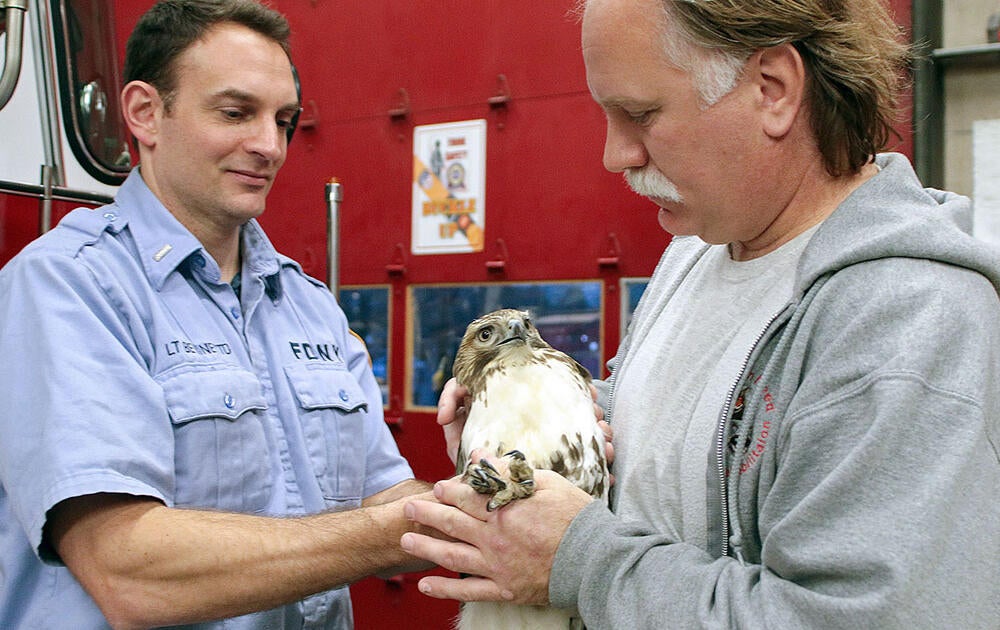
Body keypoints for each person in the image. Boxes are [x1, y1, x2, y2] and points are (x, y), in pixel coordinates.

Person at [401, 0, 1000, 627]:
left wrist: (581, 562)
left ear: (773, 91)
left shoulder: (907, 321)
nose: (616, 154)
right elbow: (676, 447)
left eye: (640, 114)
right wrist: (538, 427)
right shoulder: (697, 252)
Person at [0, 1, 435, 628]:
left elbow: (383, 493)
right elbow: (127, 569)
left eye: (284, 120)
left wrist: (492, 477)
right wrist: (395, 531)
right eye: (236, 113)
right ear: (146, 114)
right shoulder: (68, 286)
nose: (269, 146)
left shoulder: (308, 305)